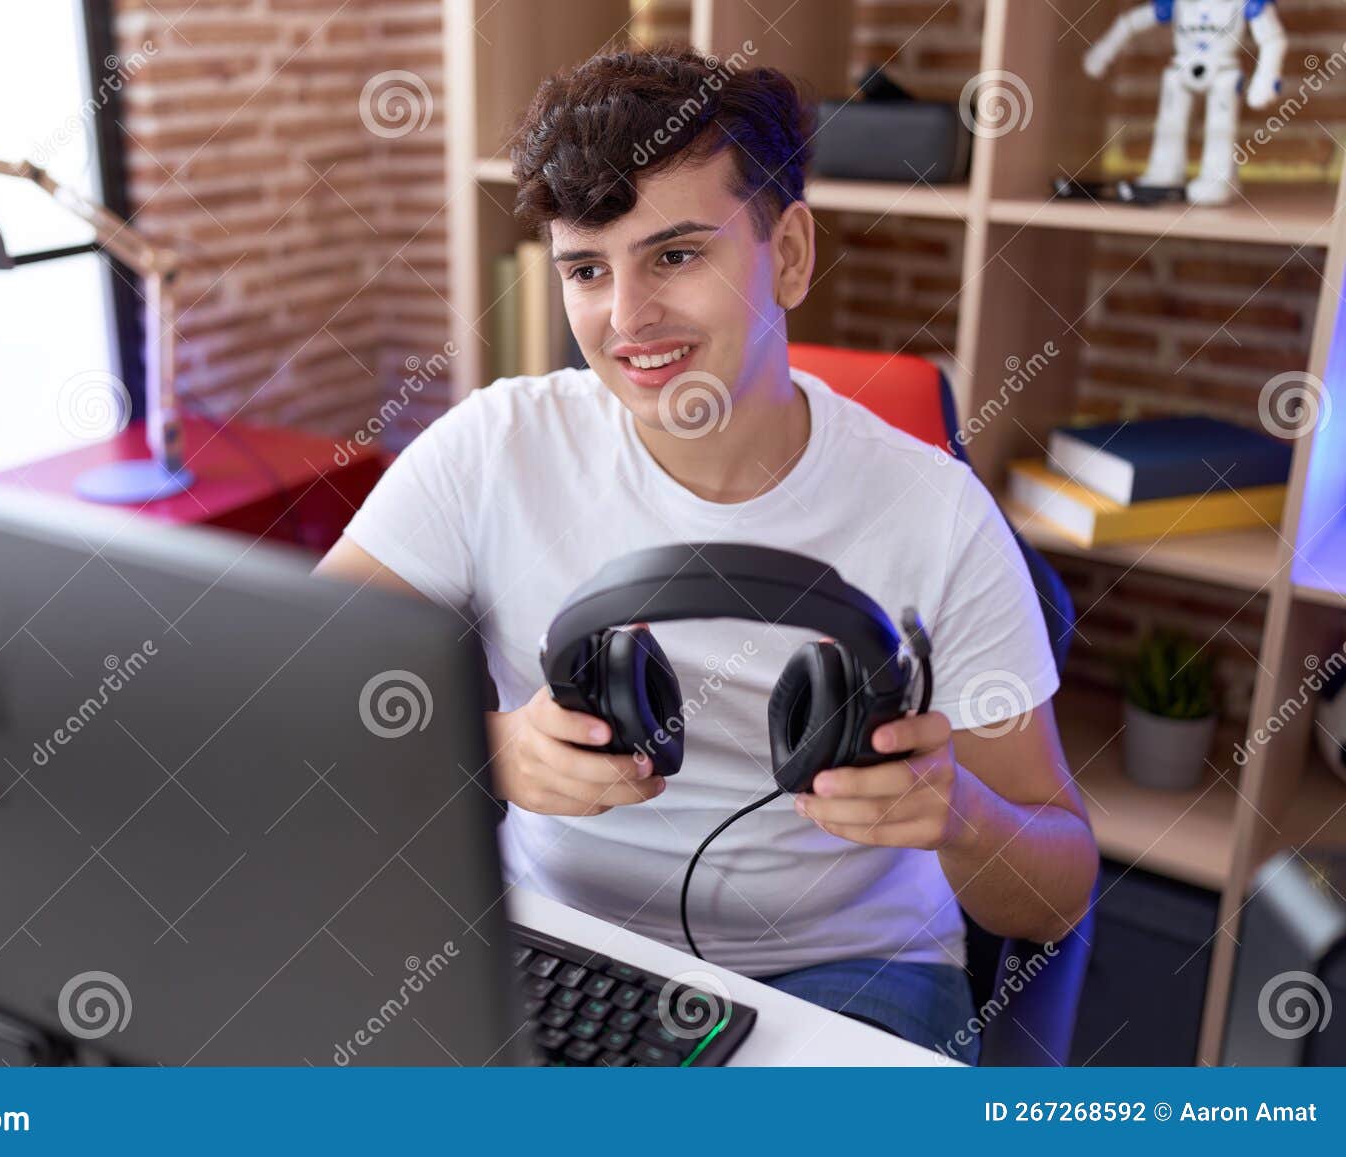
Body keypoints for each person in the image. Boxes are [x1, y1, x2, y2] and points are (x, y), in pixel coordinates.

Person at [315, 46, 1097, 1064]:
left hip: (843, 970)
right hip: (559, 936)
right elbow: (312, 690)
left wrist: (958, 814)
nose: (626, 319)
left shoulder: (936, 512)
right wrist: (492, 749)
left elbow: (1053, 895)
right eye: (587, 270)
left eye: (676, 255)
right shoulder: (492, 444)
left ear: (791, 252)